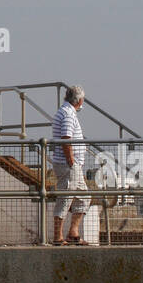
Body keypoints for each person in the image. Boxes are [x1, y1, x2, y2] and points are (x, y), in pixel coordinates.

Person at [51, 84, 89, 245]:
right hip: (69, 165)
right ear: (79, 100)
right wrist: (71, 160)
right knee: (65, 198)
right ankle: (57, 236)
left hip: (73, 165)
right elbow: (66, 139)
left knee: (84, 198)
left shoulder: (66, 112)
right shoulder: (68, 114)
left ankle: (73, 232)